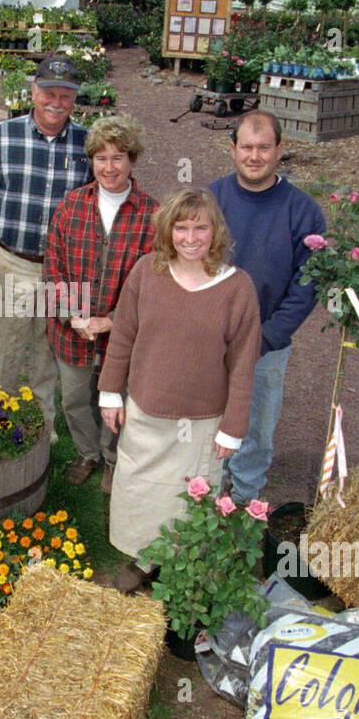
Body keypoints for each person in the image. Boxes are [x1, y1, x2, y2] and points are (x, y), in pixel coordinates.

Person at [98, 188, 261, 593]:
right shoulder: (146, 272)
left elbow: (243, 364)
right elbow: (123, 335)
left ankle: (182, 569)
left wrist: (233, 426)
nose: (190, 237)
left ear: (215, 231)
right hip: (145, 412)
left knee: (189, 499)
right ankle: (144, 558)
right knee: (142, 491)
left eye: (200, 228)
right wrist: (110, 392)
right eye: (181, 227)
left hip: (202, 421)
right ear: (167, 231)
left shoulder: (237, 288)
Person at [0, 52, 92, 433]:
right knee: (2, 349)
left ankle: (41, 427)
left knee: (47, 354)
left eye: (65, 95)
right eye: (48, 92)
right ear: (34, 91)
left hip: (63, 269)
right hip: (10, 263)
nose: (56, 102)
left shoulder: (87, 145)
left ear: (74, 99)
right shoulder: (1, 137)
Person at [209, 109, 326, 505]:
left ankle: (244, 499)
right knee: (206, 416)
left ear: (280, 150)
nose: (254, 156)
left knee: (255, 426)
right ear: (232, 149)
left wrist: (269, 336)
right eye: (246, 147)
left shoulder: (302, 211)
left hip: (266, 345)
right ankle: (205, 490)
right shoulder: (211, 199)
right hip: (208, 337)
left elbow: (307, 284)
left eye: (264, 148)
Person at [43, 114, 158, 493]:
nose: (109, 167)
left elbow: (156, 282)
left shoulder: (152, 215)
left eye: (118, 158)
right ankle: (87, 452)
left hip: (122, 337)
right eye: (101, 158)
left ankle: (112, 459)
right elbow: (53, 266)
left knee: (116, 401)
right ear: (91, 161)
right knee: (76, 399)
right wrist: (73, 315)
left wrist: (111, 321)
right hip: (71, 331)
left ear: (132, 161)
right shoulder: (71, 206)